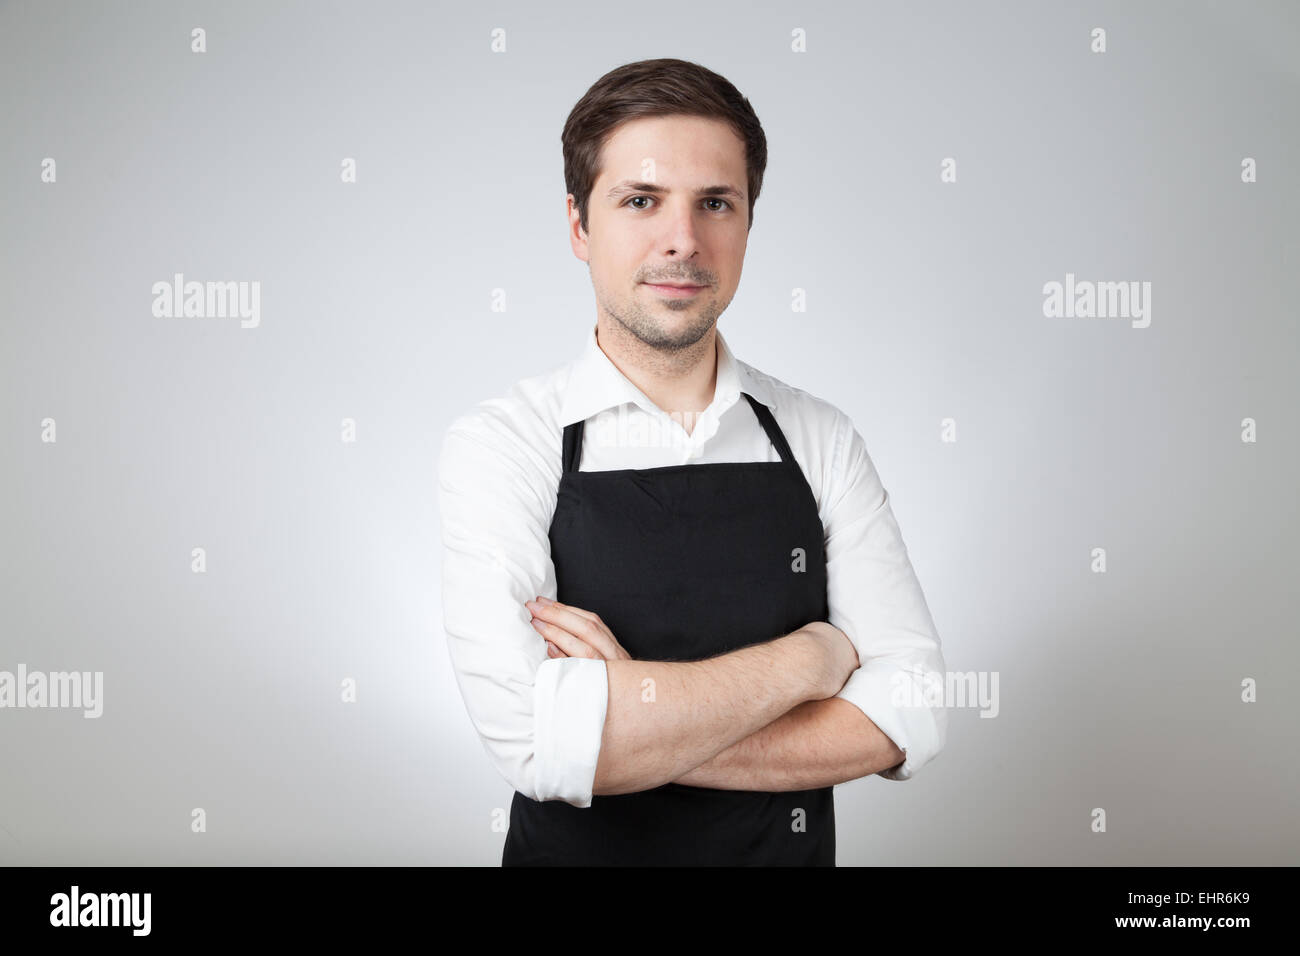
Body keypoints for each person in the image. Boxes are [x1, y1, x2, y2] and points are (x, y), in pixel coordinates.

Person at [438, 58, 947, 866]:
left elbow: (911, 711)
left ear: (748, 223)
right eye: (640, 201)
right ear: (579, 225)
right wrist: (811, 659)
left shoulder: (820, 437)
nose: (683, 239)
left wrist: (622, 719)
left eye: (716, 203)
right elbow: (531, 738)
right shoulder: (505, 441)